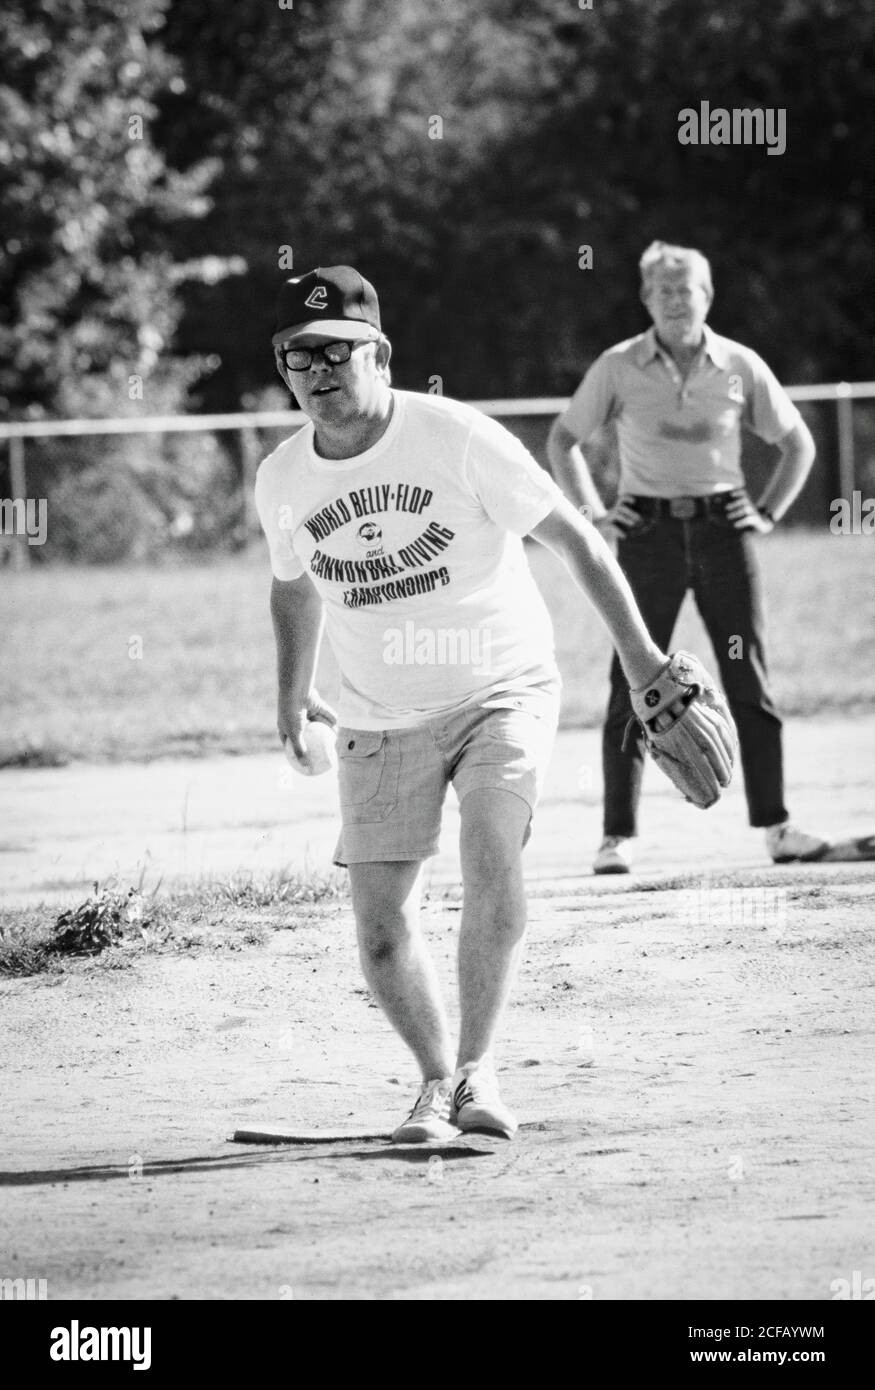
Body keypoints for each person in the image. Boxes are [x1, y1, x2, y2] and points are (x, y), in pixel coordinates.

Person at [255, 264, 693, 1143]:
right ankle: (430, 1081)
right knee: (380, 933)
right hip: (377, 714)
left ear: (378, 352)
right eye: (297, 357)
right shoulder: (282, 478)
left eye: (337, 351)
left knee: (491, 846)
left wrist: (644, 662)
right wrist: (292, 699)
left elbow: (571, 538)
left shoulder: (454, 437)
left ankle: (477, 1071)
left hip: (502, 687)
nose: (317, 372)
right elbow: (293, 587)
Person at [547, 241, 827, 875]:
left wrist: (767, 512)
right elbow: (563, 439)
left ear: (709, 295)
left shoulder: (738, 363)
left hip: (722, 531)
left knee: (747, 675)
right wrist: (593, 510)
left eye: (688, 289)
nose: (677, 300)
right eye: (664, 291)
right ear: (646, 299)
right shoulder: (618, 367)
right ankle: (616, 836)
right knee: (634, 678)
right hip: (647, 537)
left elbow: (797, 443)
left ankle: (777, 827)